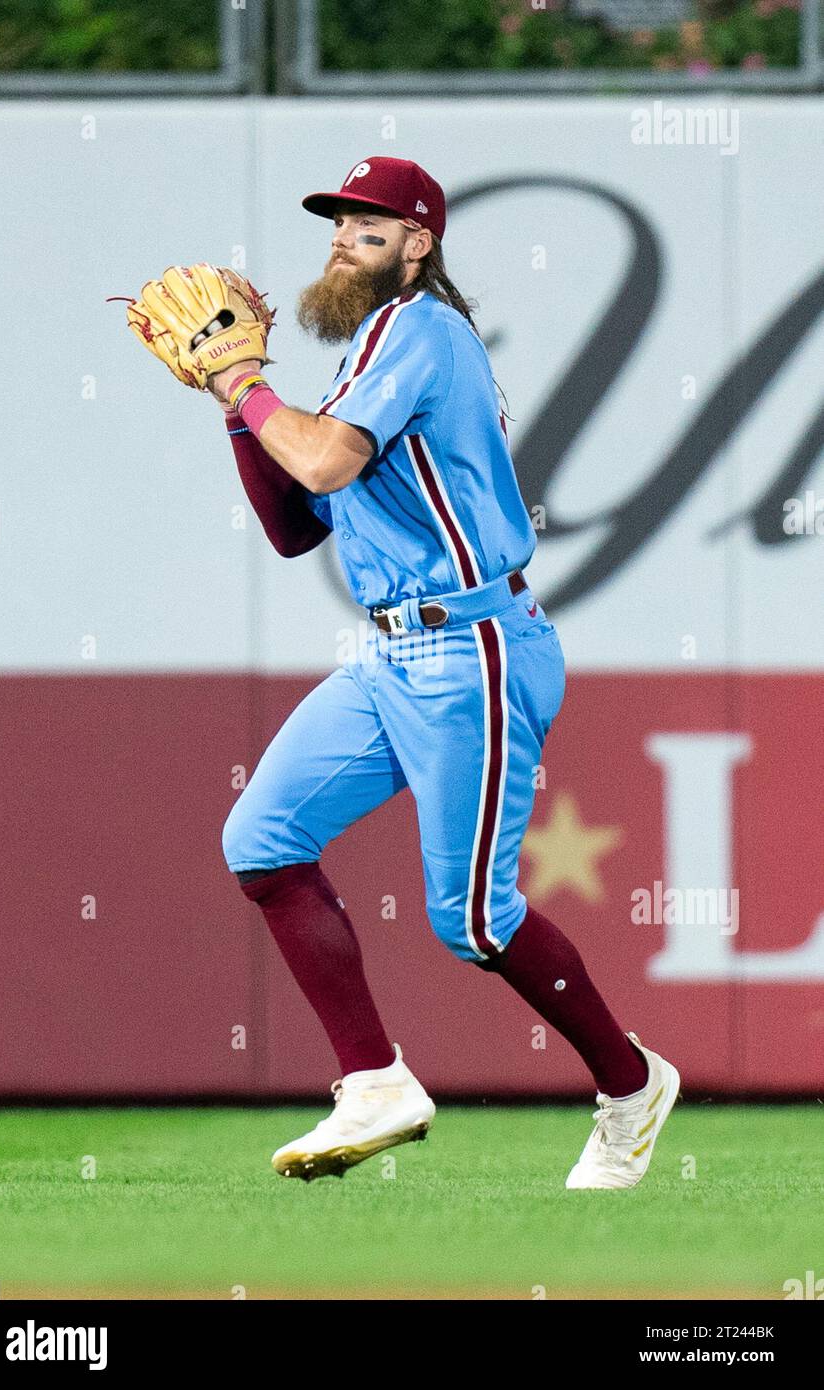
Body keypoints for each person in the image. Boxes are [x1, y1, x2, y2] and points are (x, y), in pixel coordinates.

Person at [212, 156, 680, 1188]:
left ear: (419, 242)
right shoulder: (367, 353)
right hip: (391, 650)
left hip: (472, 644)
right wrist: (228, 396)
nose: (343, 235)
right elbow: (297, 525)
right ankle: (373, 1078)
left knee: (470, 918)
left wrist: (246, 382)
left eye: (368, 223)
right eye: (336, 221)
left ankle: (630, 1080)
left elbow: (325, 464)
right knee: (261, 837)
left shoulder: (418, 331)